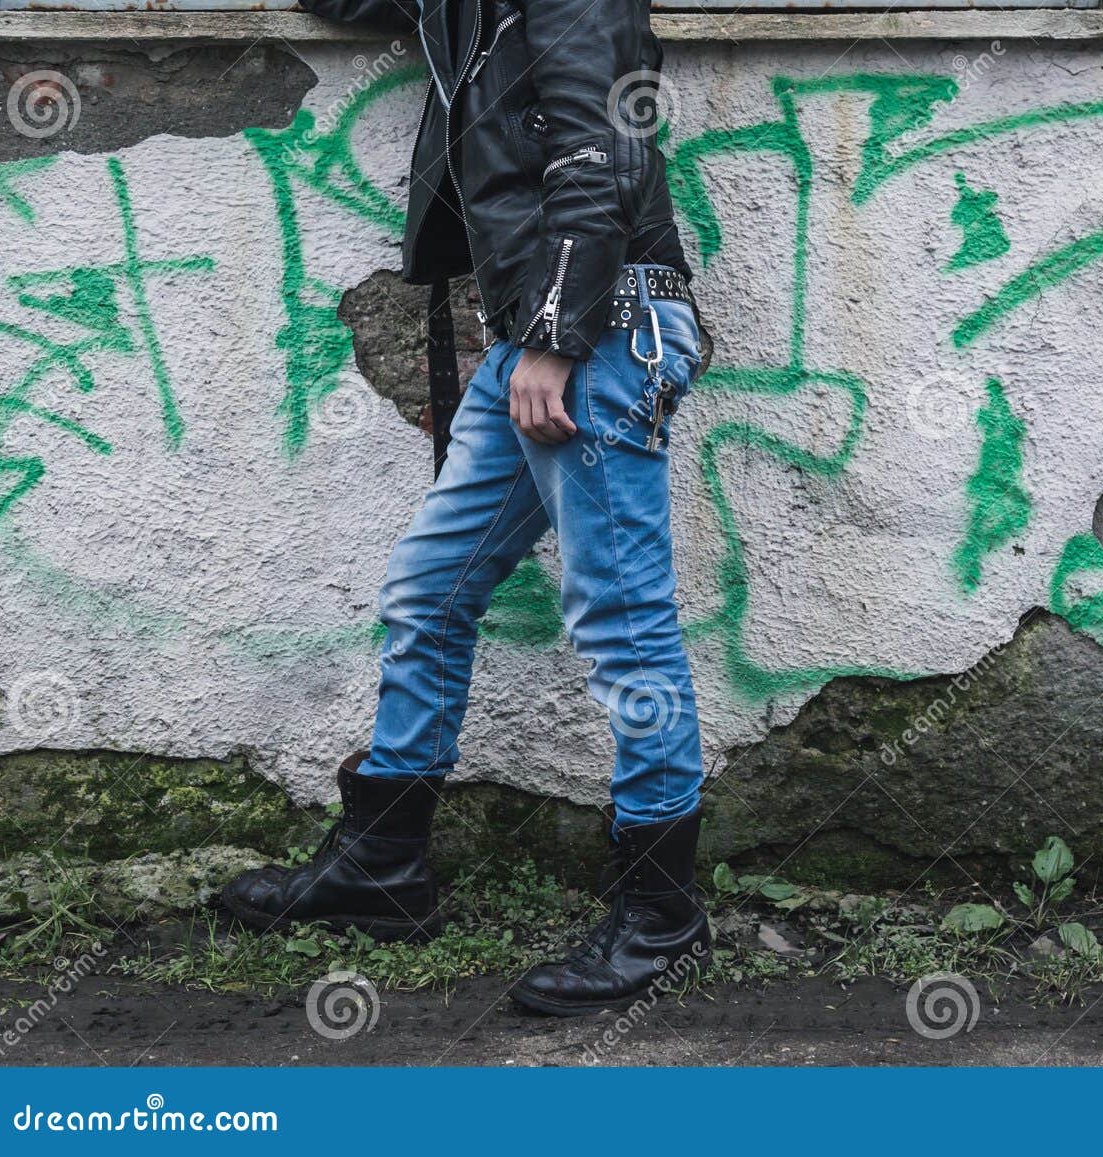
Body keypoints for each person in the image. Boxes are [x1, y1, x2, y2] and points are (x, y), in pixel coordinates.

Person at [221, 0, 711, 1017]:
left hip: (597, 332)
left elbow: (597, 149)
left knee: (622, 622)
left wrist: (556, 337)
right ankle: (382, 860)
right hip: (529, 335)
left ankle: (662, 914)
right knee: (428, 587)